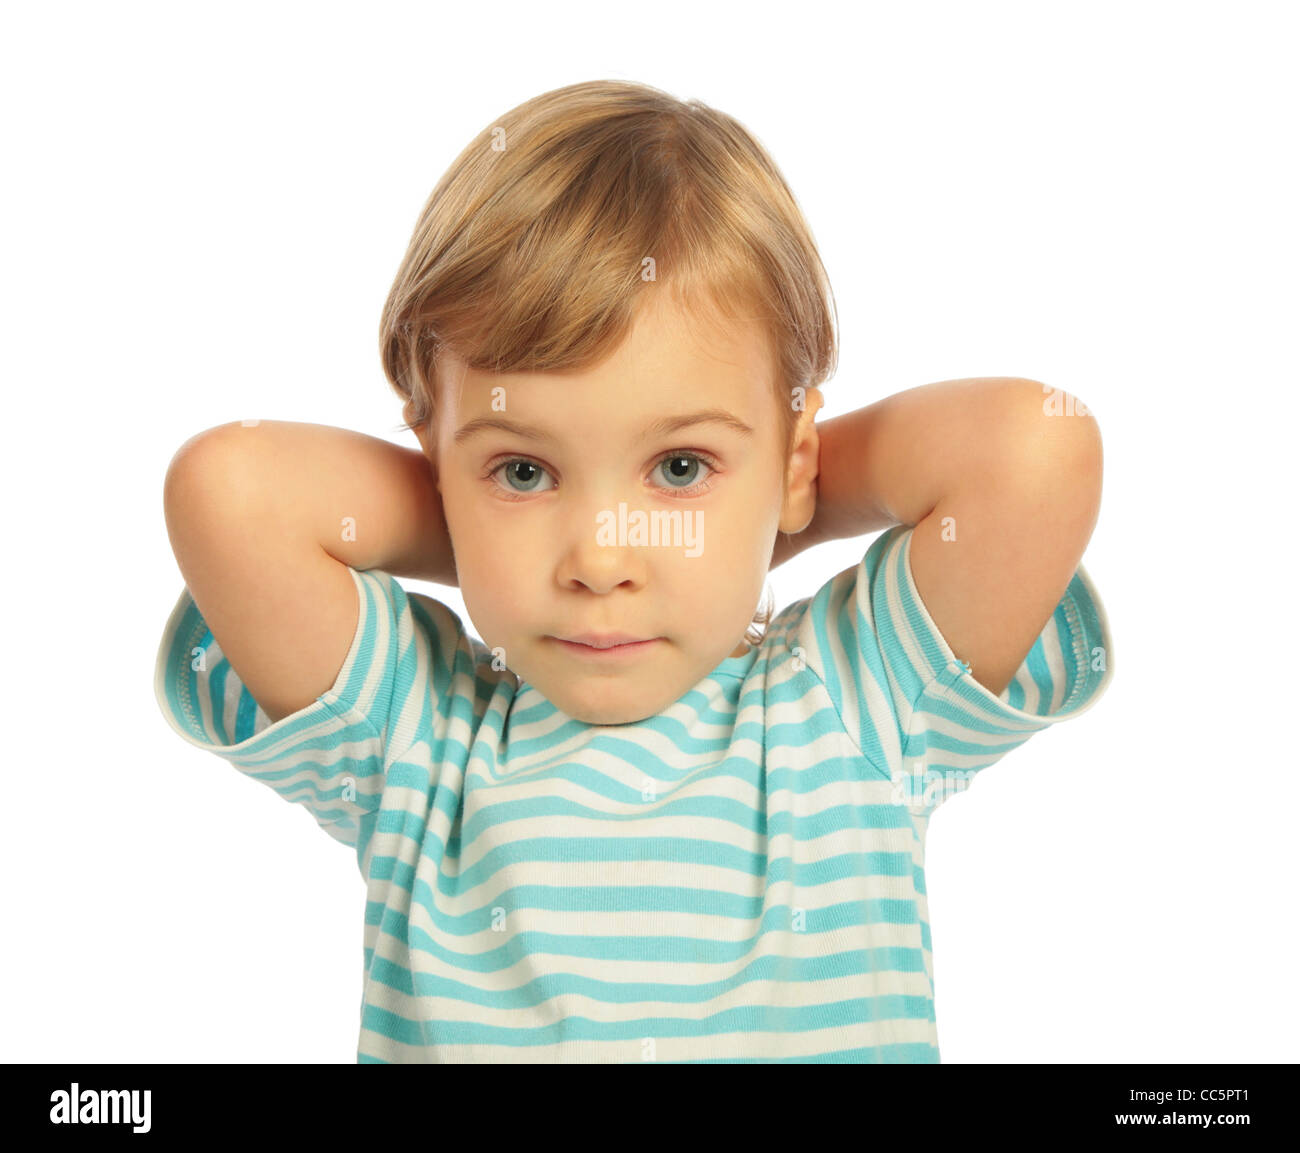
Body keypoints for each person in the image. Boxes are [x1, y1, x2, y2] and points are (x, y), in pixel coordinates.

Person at [155, 79, 1113, 1062]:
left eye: (681, 467)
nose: (601, 556)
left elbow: (1034, 449)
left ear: (792, 463)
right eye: (522, 470)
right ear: (438, 465)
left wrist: (760, 512)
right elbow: (230, 492)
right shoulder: (411, 739)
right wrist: (514, 515)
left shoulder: (853, 707)